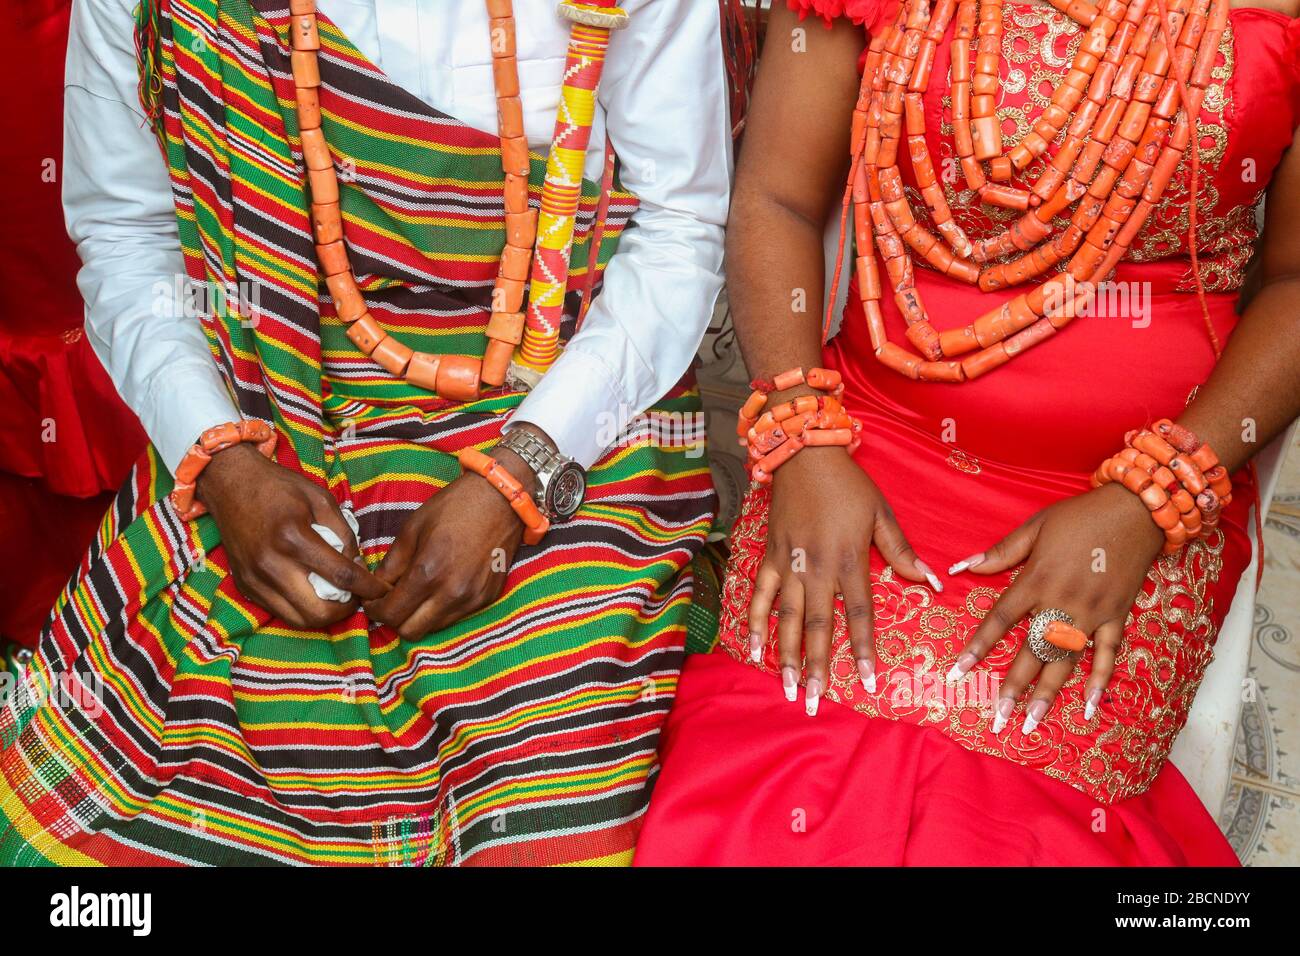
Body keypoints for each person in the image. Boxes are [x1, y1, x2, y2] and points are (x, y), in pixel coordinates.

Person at [0, 0, 730, 866]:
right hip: (264, 398)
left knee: (531, 755)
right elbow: (128, 234)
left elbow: (678, 227)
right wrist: (222, 457)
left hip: (561, 399)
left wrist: (521, 473)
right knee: (159, 742)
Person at [634, 0, 1300, 865]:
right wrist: (802, 439)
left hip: (1145, 489)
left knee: (1013, 829)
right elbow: (777, 198)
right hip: (862, 450)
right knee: (776, 795)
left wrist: (1146, 504)